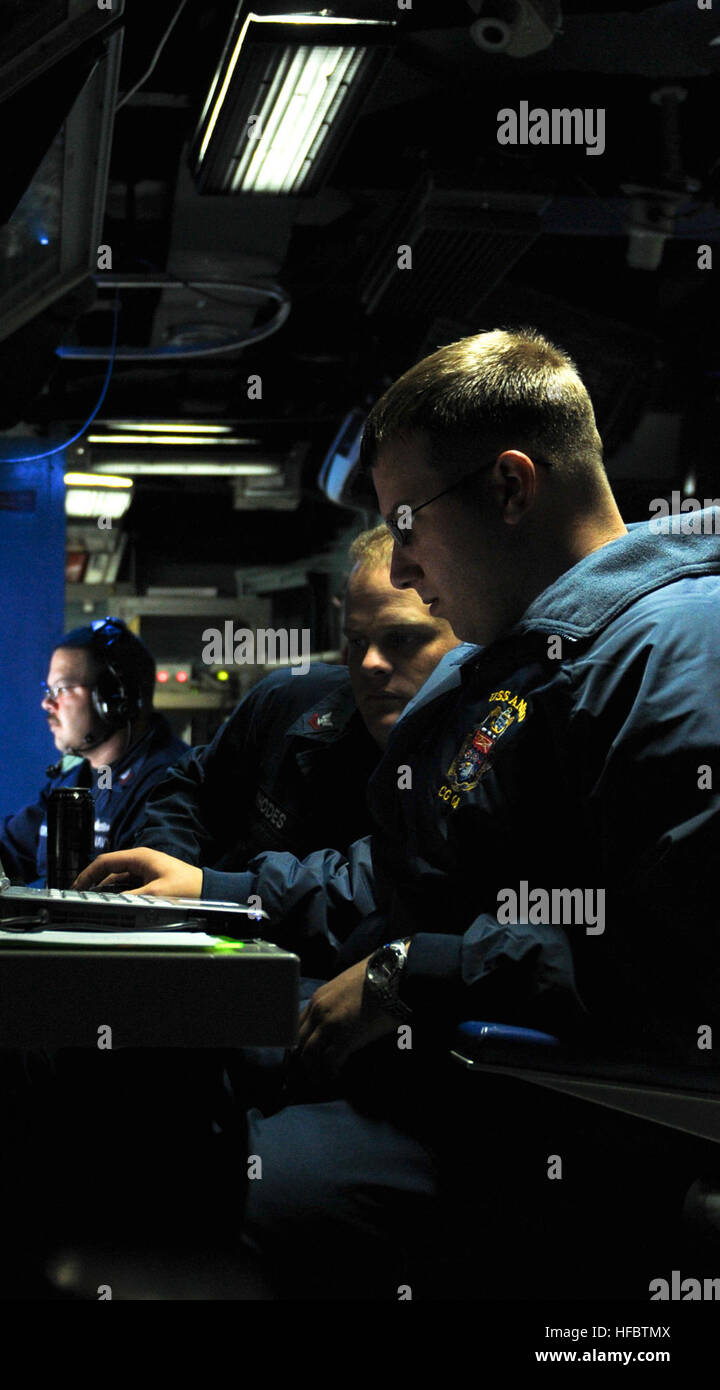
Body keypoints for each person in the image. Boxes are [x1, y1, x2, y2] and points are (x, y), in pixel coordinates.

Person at [241, 325, 720, 1299]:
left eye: (407, 522)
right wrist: (214, 891)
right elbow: (413, 870)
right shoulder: (495, 663)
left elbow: (680, 968)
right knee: (152, 1057)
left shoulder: (678, 658)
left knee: (218, 1197)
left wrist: (414, 973)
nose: (401, 565)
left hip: (561, 1135)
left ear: (509, 487)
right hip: (450, 1065)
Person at [76, 526, 459, 973]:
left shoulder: (476, 762)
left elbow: (377, 891)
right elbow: (192, 789)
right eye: (357, 642)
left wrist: (206, 890)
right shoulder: (290, 701)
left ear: (466, 642)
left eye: (403, 638)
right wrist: (167, 874)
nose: (371, 662)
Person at [0, 618, 187, 884]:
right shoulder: (76, 781)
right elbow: (4, 851)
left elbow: (130, 903)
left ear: (115, 697)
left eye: (61, 689)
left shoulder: (170, 788)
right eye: (48, 690)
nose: (47, 703)